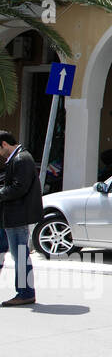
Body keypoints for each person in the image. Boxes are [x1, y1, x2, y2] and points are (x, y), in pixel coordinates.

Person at [0, 130, 41, 306]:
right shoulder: (17, 158)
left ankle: (25, 293)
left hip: (17, 216)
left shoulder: (21, 159)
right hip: (12, 215)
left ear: (4, 144)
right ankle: (25, 292)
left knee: (21, 256)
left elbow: (18, 188)